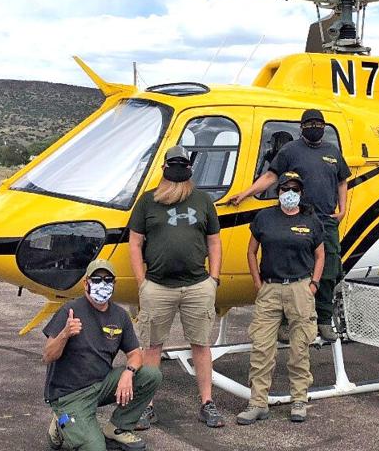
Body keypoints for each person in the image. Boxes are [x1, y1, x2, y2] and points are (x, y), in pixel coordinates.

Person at [228, 109, 350, 342]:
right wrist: (246, 193)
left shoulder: (333, 152)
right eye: (310, 123)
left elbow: (342, 180)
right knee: (290, 267)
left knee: (329, 270)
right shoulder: (290, 150)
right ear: (302, 127)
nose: (315, 127)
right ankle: (285, 322)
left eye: (319, 123)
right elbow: (271, 177)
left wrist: (342, 209)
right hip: (296, 215)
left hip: (325, 219)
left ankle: (323, 319)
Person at [128, 145, 225, 428]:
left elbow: (214, 241)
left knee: (201, 345)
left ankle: (207, 402)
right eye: (174, 165)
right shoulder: (148, 202)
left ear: (189, 170)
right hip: (157, 286)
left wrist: (214, 278)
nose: (178, 171)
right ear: (164, 169)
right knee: (151, 347)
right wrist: (141, 282)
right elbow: (135, 242)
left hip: (197, 286)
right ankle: (146, 405)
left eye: (182, 165)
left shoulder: (203, 200)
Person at [43, 259, 162, 451]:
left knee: (151, 375)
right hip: (70, 394)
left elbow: (135, 353)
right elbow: (48, 355)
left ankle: (116, 428)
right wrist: (65, 334)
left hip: (102, 383)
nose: (102, 284)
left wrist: (128, 372)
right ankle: (61, 421)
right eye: (96, 279)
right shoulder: (69, 310)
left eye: (108, 280)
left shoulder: (119, 315)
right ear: (85, 283)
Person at [238, 172, 325, 425]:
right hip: (270, 289)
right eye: (285, 188)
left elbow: (320, 255)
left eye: (295, 189)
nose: (290, 193)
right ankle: (258, 402)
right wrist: (257, 282)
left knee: (300, 348)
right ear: (278, 191)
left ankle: (299, 400)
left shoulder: (311, 220)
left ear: (301, 193)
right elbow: (251, 251)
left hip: (300, 288)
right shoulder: (264, 218)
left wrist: (314, 284)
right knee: (262, 348)